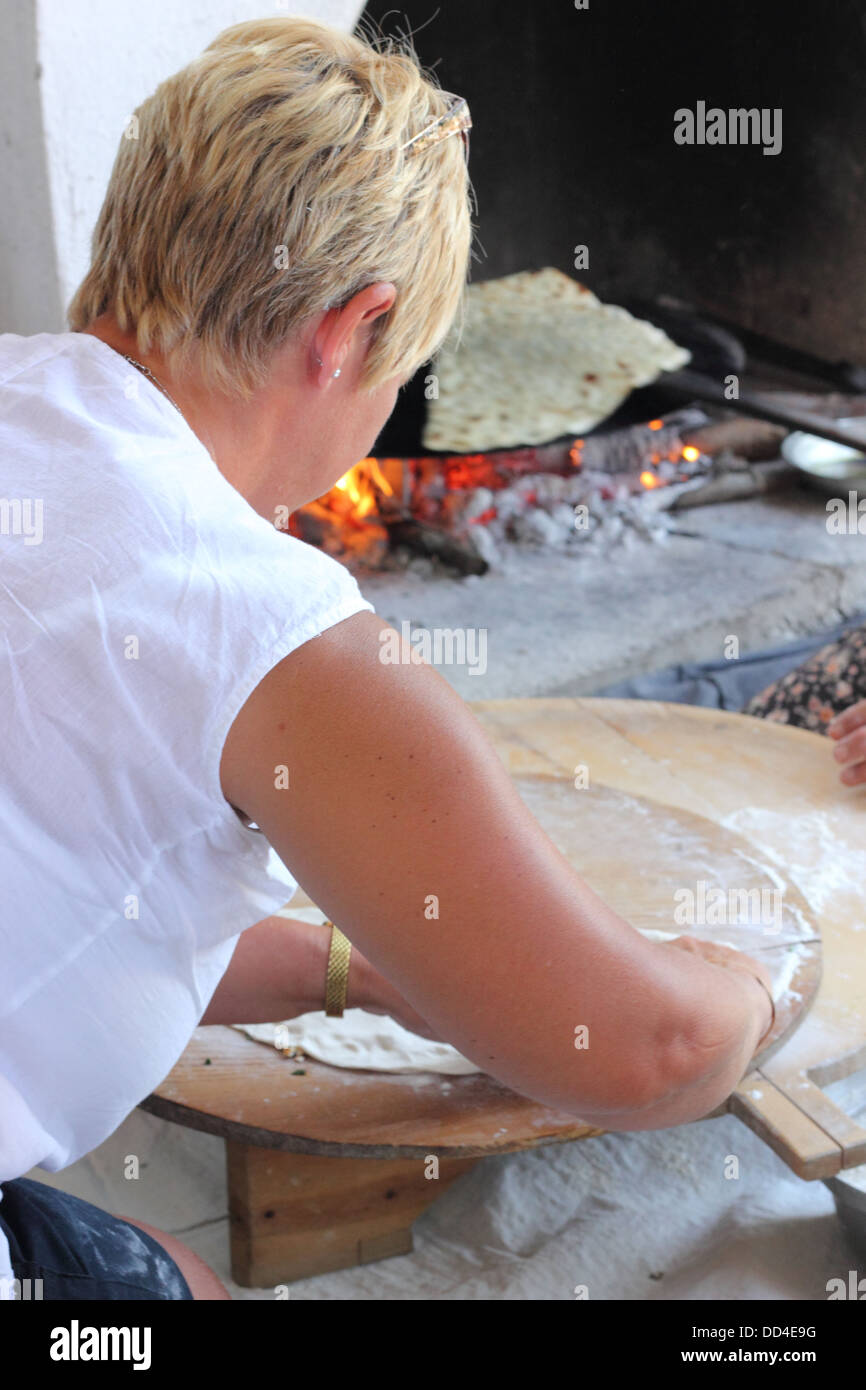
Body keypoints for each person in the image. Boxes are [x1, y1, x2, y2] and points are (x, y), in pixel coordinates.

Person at [0, 17, 775, 1301]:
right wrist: (740, 993)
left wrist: (354, 969)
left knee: (166, 1282)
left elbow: (78, 893)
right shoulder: (256, 622)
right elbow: (638, 1053)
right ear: (347, 331)